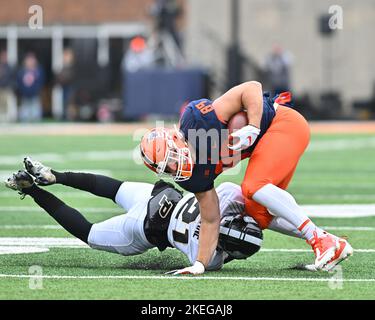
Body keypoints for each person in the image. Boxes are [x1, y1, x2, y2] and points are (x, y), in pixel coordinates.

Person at [140, 81, 353, 275]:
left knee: (253, 186)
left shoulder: (198, 120)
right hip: (267, 144)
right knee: (257, 214)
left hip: (284, 124)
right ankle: (329, 241)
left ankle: (320, 240)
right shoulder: (191, 177)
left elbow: (251, 87)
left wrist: (253, 125)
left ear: (176, 138)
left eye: (172, 159)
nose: (175, 167)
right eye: (167, 168)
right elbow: (211, 218)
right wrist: (200, 265)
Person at [4, 157, 263, 271]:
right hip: (144, 227)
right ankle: (33, 191)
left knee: (111, 187)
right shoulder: (210, 258)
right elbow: (215, 255)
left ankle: (56, 175)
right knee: (88, 232)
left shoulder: (229, 198)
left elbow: (238, 197)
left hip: (161, 196)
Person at [16, 53, 45, 122]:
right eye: (29, 60)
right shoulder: (22, 71)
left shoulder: (38, 71)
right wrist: (22, 91)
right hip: (25, 95)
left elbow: (41, 82)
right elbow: (19, 82)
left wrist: (37, 90)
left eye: (32, 60)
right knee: (25, 113)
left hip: (35, 94)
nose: (30, 62)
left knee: (35, 112)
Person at [0, 50, 14, 122]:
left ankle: (8, 119)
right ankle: (2, 120)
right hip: (0, 89)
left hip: (7, 89)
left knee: (8, 105)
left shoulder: (9, 67)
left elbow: (11, 77)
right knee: (1, 106)